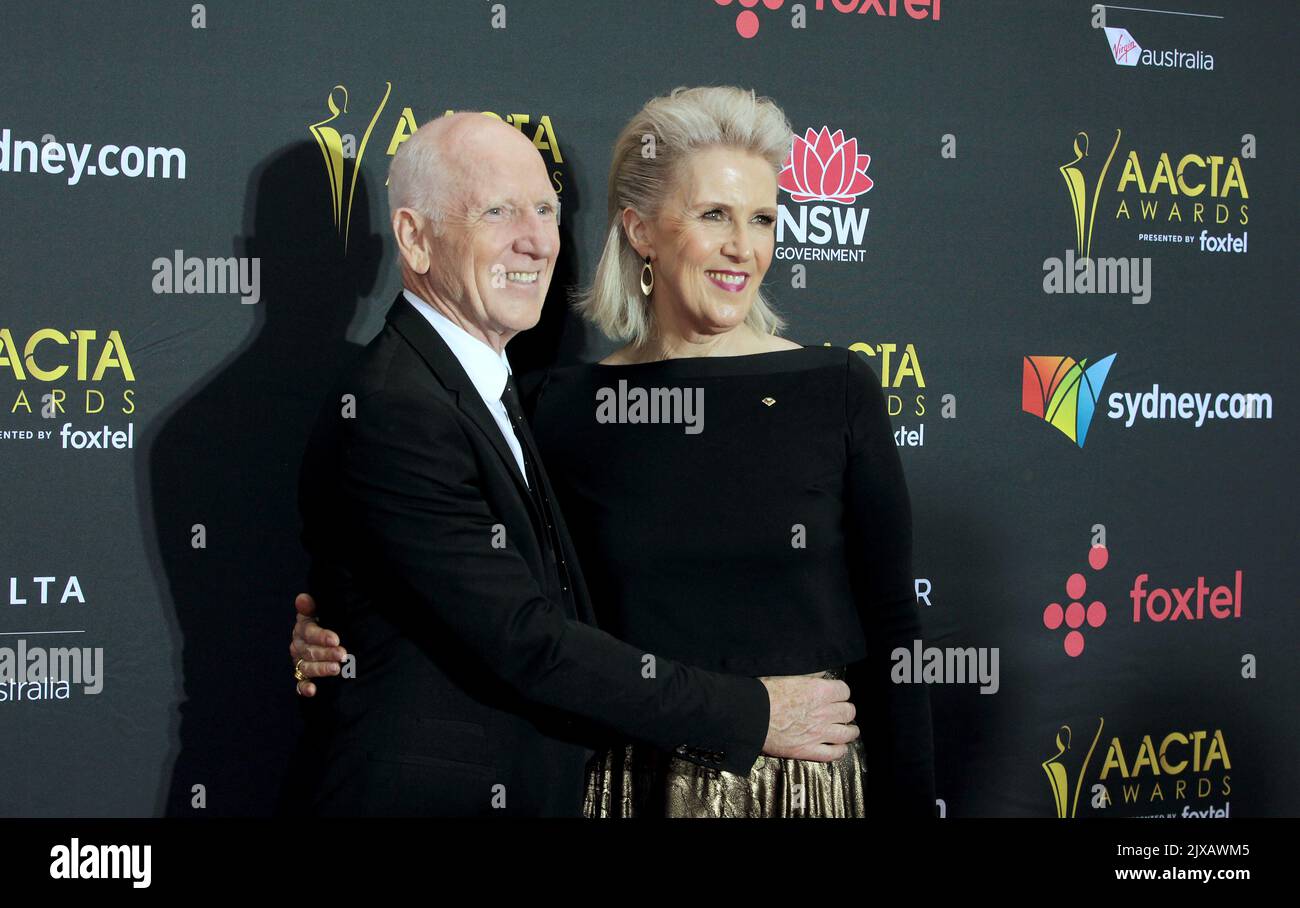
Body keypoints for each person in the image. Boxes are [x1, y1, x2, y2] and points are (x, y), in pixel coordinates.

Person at [280, 110, 859, 817]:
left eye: (546, 210)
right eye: (497, 211)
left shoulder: (492, 391)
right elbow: (525, 640)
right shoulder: (398, 408)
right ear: (414, 238)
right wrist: (755, 713)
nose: (533, 240)